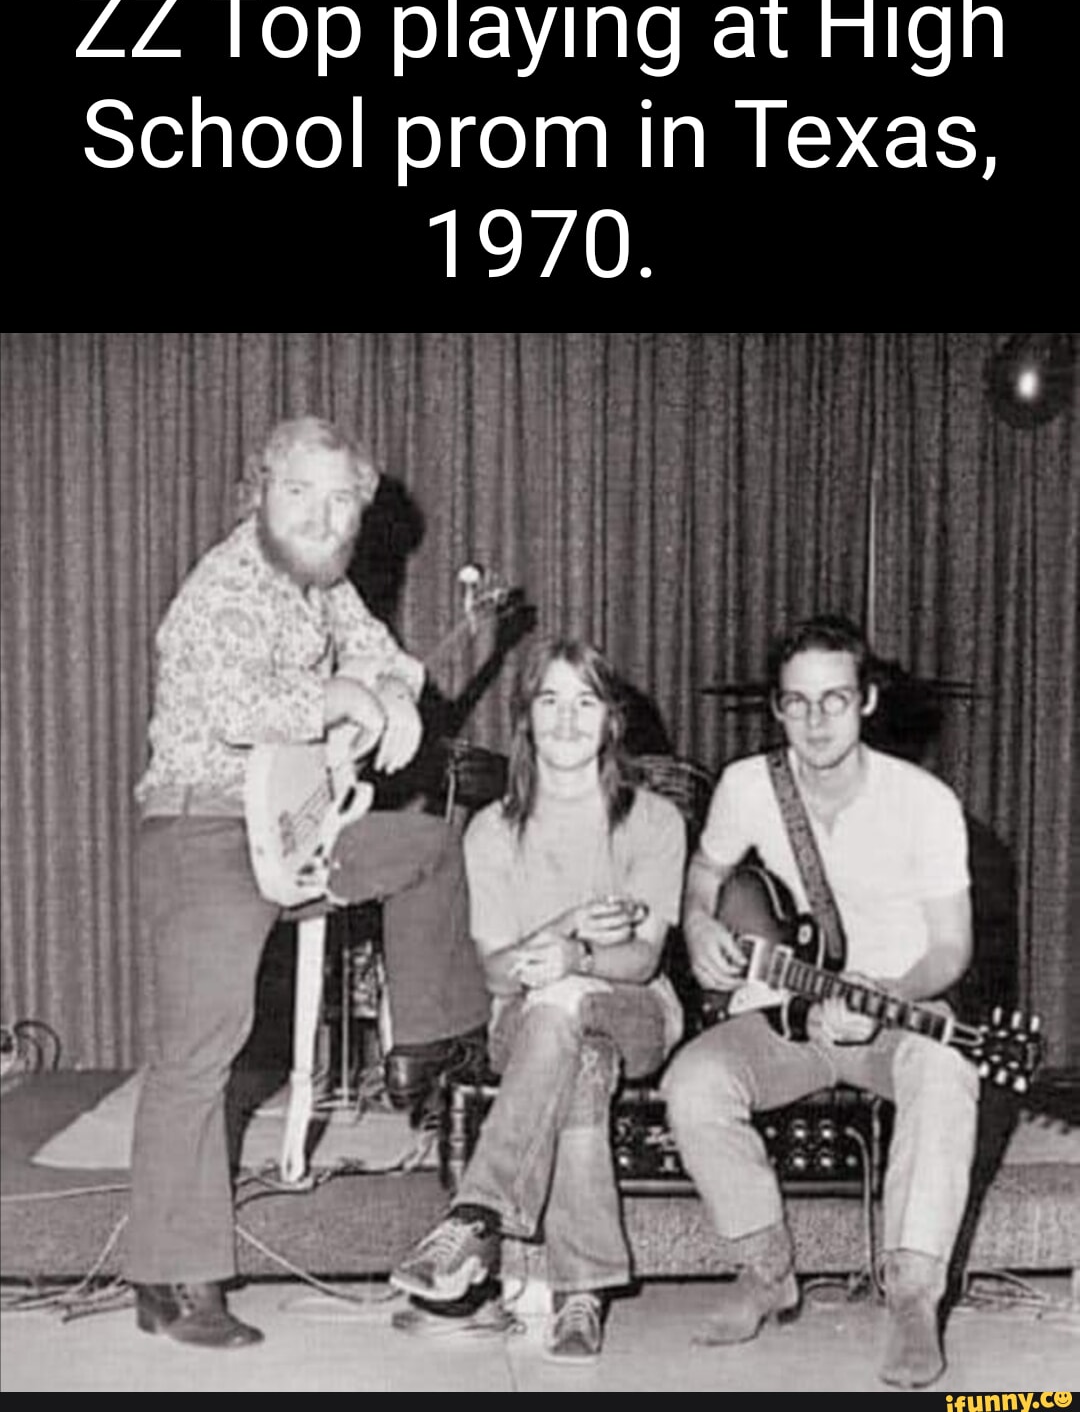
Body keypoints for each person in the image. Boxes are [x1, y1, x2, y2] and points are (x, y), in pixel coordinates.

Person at [126, 417, 489, 1348]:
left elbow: (384, 657)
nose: (323, 518)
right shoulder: (223, 585)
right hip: (204, 827)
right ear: (258, 494)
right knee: (198, 1056)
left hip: (295, 824)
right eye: (300, 493)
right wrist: (339, 697)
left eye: (341, 502)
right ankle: (176, 1278)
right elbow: (232, 707)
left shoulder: (322, 584)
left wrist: (395, 697)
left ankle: (428, 1051)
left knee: (427, 849)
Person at [661, 614, 979, 1389]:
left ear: (867, 700)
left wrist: (890, 992)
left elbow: (951, 949)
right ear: (777, 707)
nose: (815, 721)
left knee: (948, 1072)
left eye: (834, 699)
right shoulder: (748, 786)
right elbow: (705, 874)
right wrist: (698, 924)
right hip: (791, 1013)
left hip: (896, 1012)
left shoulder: (924, 802)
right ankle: (765, 1270)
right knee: (694, 1082)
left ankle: (913, 1296)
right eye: (797, 702)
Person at [390, 638, 687, 1361]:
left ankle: (476, 1215)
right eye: (549, 700)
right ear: (525, 717)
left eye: (585, 701)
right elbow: (497, 975)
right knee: (574, 1054)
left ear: (611, 721)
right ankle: (581, 1293)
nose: (566, 718)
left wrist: (576, 958)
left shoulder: (654, 821)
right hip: (523, 1026)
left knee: (562, 997)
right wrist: (568, 927)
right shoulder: (492, 830)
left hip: (638, 1010)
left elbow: (643, 958)